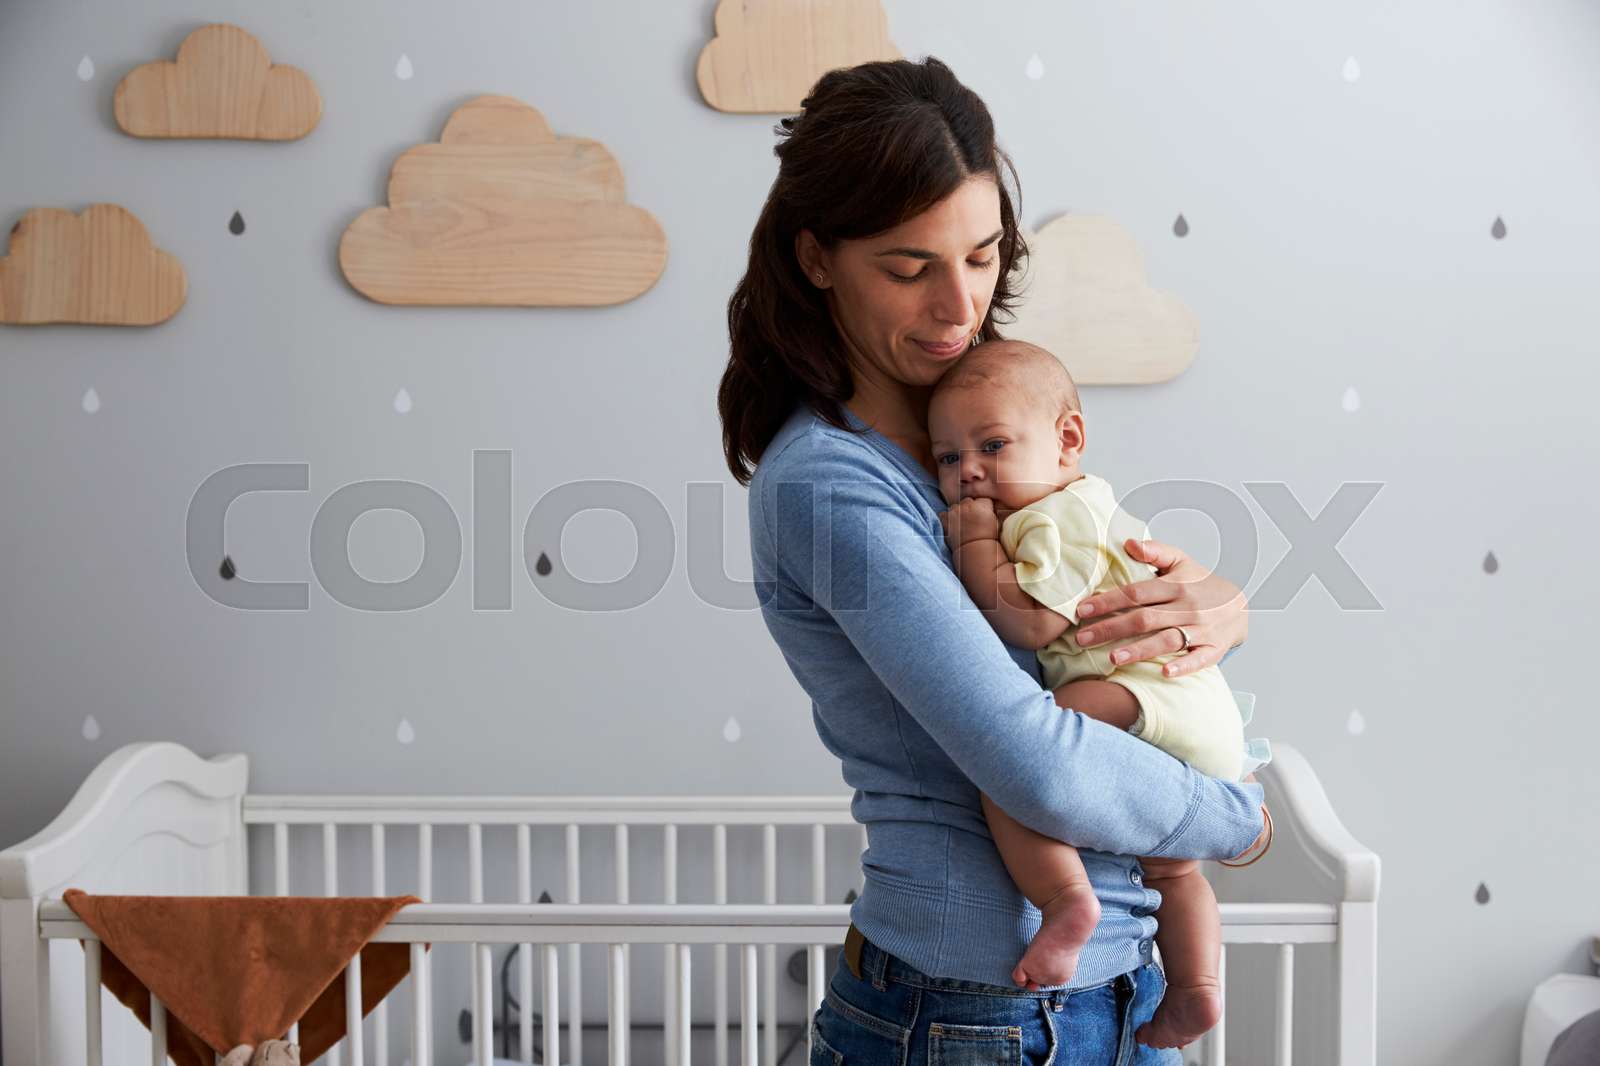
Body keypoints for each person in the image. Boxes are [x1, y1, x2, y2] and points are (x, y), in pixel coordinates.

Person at [717, 55, 1270, 1063]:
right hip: (972, 1013)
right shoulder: (829, 483)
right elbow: (1035, 761)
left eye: (980, 257)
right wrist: (1235, 818)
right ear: (815, 258)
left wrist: (1213, 608)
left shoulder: (989, 445)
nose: (957, 307)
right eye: (908, 266)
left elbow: (1105, 628)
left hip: (1118, 988)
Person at [930, 337, 1272, 1049]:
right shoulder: (1083, 509)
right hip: (1189, 710)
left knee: (1011, 767)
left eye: (991, 445)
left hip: (1139, 689)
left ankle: (1065, 903)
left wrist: (972, 546)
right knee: (1173, 871)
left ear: (1068, 442)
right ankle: (1194, 988)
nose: (970, 474)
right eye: (948, 458)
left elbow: (1032, 621)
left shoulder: (1054, 518)